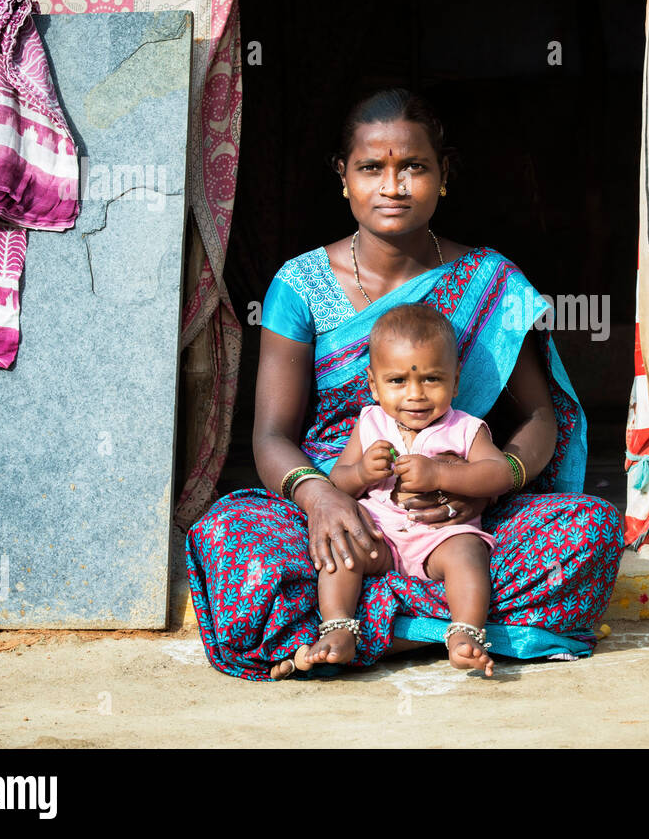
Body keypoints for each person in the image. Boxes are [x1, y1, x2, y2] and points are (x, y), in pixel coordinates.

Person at [185, 87, 624, 681]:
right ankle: (451, 627)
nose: (392, 186)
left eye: (413, 166)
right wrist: (322, 499)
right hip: (344, 515)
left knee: (591, 528)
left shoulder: (489, 280)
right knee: (230, 541)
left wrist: (485, 484)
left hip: (463, 522)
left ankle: (355, 630)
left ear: (444, 176)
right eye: (371, 168)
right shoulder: (299, 284)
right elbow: (269, 436)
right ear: (343, 176)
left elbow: (540, 419)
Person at [302, 302, 513, 676]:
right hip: (380, 539)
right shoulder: (369, 423)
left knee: (468, 551)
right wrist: (364, 472)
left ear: (456, 380)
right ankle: (338, 627)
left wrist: (441, 476)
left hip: (439, 541)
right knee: (343, 546)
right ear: (373, 383)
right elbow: (338, 482)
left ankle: (465, 632)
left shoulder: (466, 428)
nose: (415, 394)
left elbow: (500, 474)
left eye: (431, 379)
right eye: (397, 381)